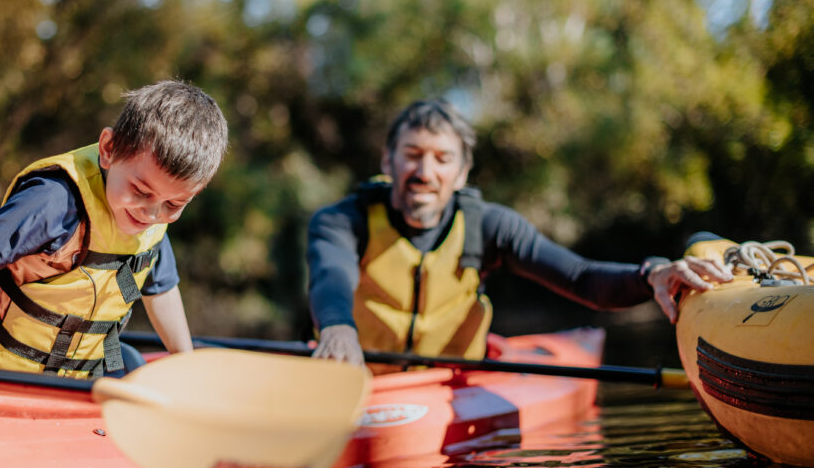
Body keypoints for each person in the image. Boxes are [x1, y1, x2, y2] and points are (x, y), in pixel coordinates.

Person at [306, 99, 732, 365]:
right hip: (356, 378)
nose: (425, 172)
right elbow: (331, 275)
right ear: (387, 162)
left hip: (455, 383)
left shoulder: (489, 226)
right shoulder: (343, 221)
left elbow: (580, 277)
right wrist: (337, 327)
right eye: (412, 155)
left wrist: (652, 274)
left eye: (441, 158)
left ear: (462, 172)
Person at [0, 80, 228, 386]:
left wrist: (186, 365)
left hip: (67, 386)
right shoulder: (52, 203)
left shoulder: (152, 221)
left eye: (173, 205)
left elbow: (160, 290)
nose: (151, 213)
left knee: (129, 363)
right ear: (108, 149)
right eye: (141, 191)